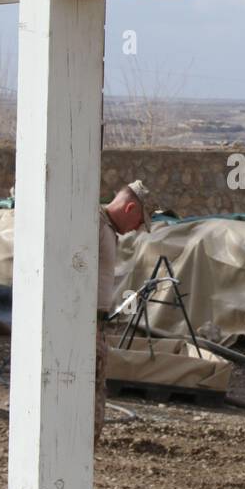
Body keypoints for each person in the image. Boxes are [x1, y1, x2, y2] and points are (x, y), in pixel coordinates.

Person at [95, 180, 154, 448]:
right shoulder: (94, 225)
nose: (136, 230)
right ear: (130, 208)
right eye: (139, 222)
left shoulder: (104, 228)